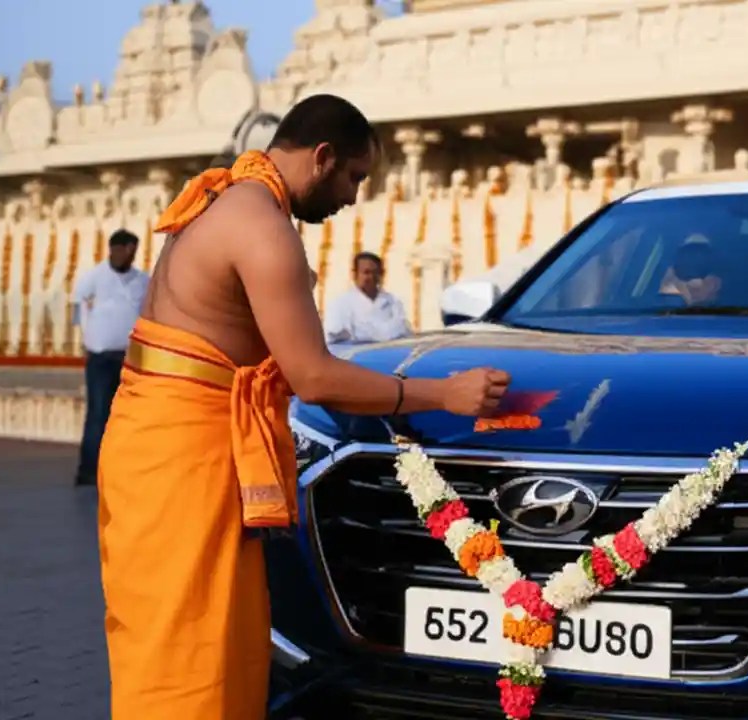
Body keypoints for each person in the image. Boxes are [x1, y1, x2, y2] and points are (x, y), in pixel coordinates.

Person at [95, 94, 510, 720]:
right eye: (354, 177)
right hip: (184, 460)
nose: (352, 196)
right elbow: (313, 377)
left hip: (153, 444)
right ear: (322, 157)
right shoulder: (262, 226)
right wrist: (444, 394)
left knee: (181, 640)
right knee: (189, 655)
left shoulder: (222, 200)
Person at [69, 229, 148, 486]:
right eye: (126, 250)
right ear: (113, 249)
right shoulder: (93, 278)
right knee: (98, 412)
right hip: (101, 357)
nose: (130, 256)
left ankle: (122, 468)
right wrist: (82, 338)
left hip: (130, 358)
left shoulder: (142, 281)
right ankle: (89, 470)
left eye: (133, 251)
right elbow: (76, 310)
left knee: (128, 415)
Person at [323, 251, 411, 344]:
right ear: (354, 274)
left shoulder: (393, 302)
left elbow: (403, 330)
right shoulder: (339, 304)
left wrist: (366, 331)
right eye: (366, 272)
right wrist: (384, 333)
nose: (371, 277)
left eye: (376, 273)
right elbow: (337, 335)